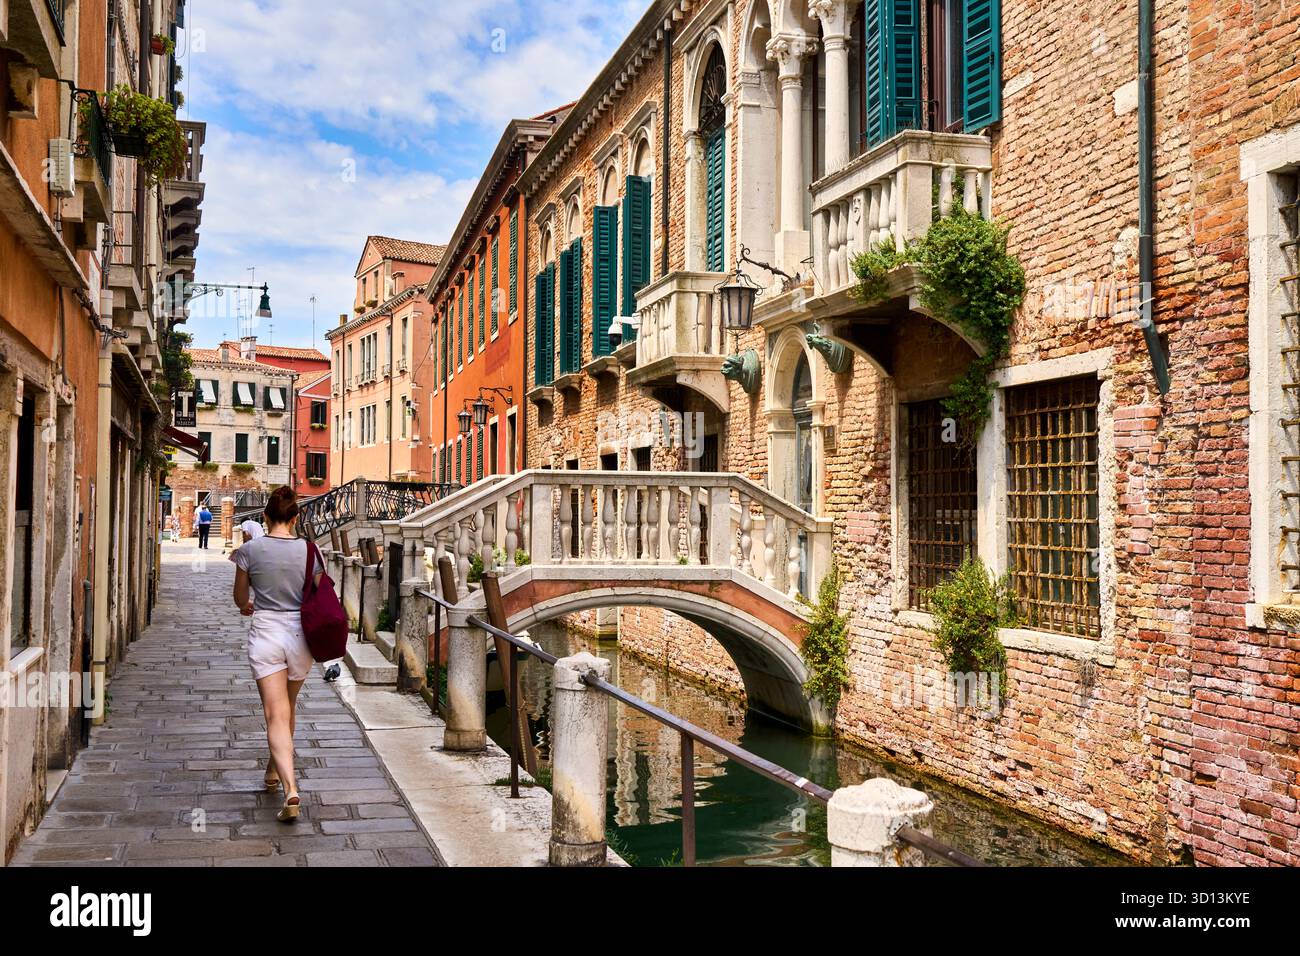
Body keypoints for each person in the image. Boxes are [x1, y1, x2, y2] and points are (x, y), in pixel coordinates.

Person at [231, 487, 322, 824]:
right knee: (287, 708)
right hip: (301, 636)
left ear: (265, 517)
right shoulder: (310, 551)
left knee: (275, 714)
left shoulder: (250, 550)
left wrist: (248, 605)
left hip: (267, 632)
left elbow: (240, 599)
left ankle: (290, 787)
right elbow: (318, 594)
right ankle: (273, 770)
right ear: (295, 518)